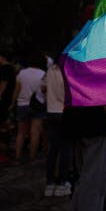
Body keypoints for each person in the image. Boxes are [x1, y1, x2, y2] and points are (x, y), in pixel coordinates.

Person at [44, 61, 72, 197]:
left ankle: (50, 183)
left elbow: (43, 88)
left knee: (53, 149)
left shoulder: (50, 70)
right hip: (63, 112)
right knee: (66, 149)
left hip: (51, 111)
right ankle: (62, 182)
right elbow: (63, 94)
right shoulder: (66, 69)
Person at [13, 53, 46, 163]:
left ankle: (17, 156)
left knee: (21, 133)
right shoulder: (43, 74)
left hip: (22, 104)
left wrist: (12, 103)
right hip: (38, 105)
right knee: (35, 133)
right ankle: (32, 157)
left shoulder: (22, 73)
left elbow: (16, 90)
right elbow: (44, 91)